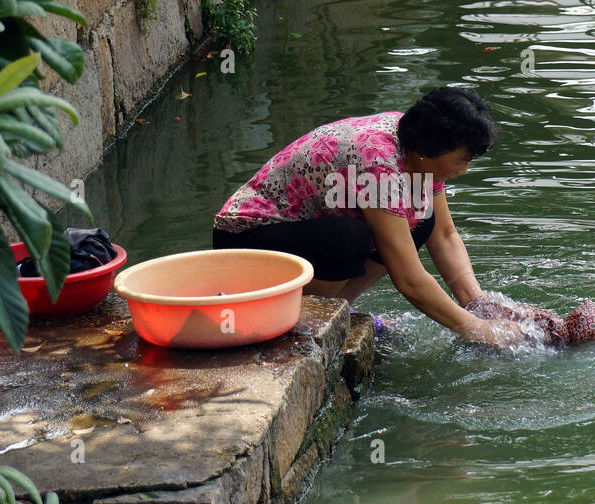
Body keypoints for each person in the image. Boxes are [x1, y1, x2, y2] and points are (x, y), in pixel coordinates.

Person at [213, 86, 519, 346]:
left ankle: (339, 309)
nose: (464, 170)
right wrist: (476, 329)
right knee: (350, 239)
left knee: (421, 222)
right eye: (462, 160)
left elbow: (444, 235)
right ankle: (300, 318)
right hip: (246, 238)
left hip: (303, 235)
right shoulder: (379, 163)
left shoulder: (418, 151)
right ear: (432, 149)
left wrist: (478, 304)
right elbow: (409, 279)